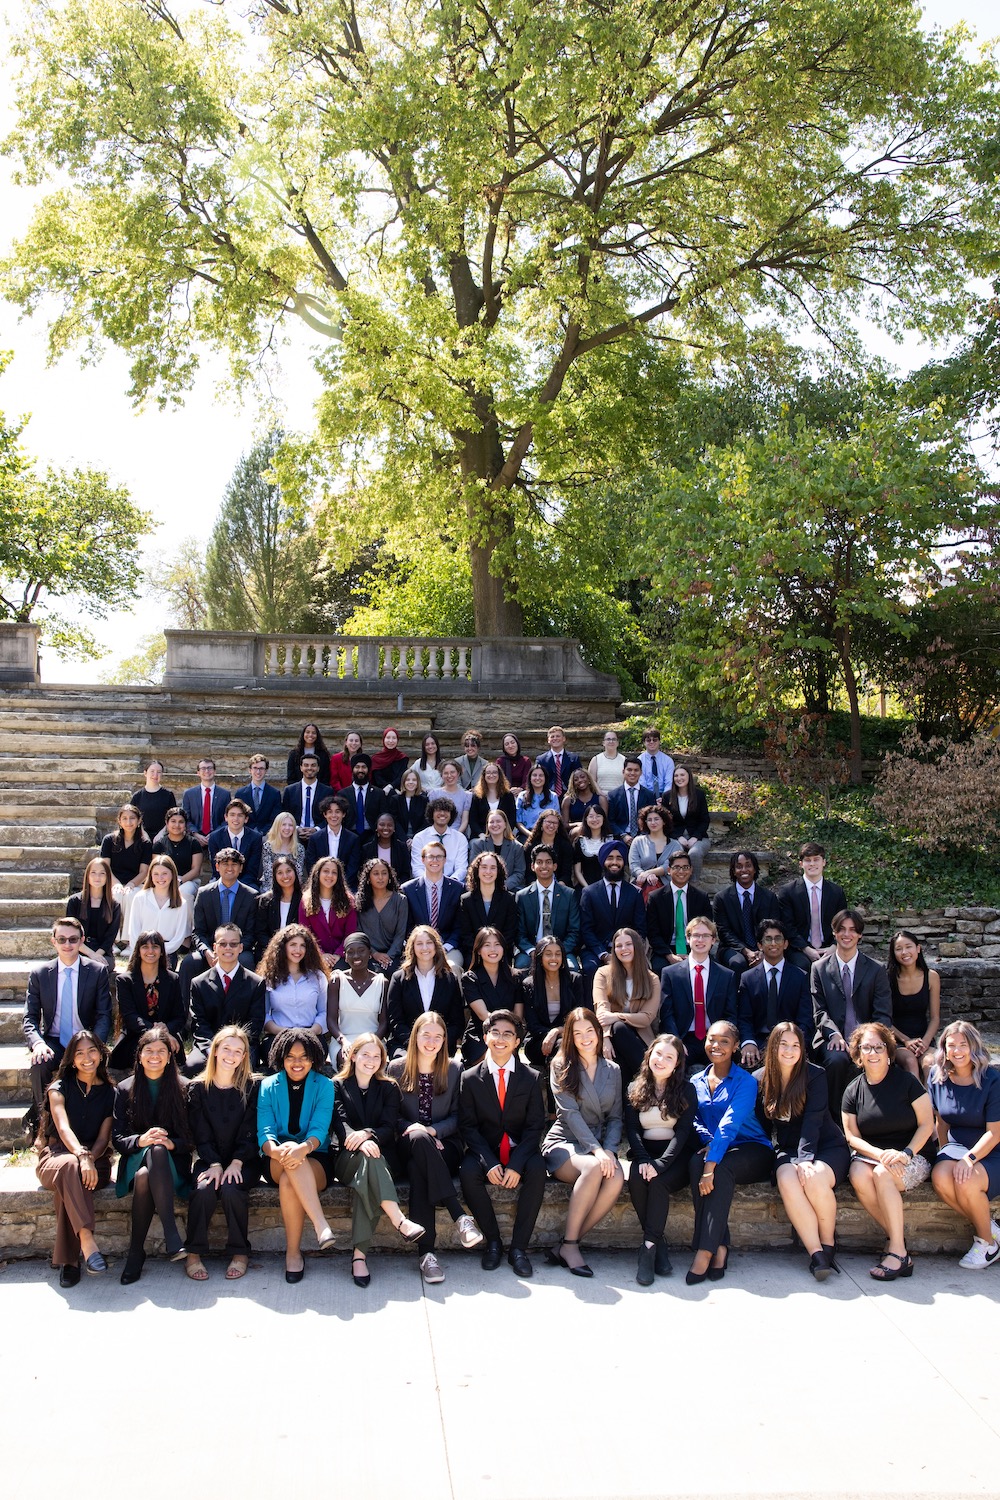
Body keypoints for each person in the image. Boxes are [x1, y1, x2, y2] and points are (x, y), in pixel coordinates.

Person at [388, 1012, 485, 1283]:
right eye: (426, 1035)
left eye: (438, 1037)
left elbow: (458, 1117)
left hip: (446, 1145)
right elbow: (391, 1116)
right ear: (415, 1036)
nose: (431, 1042)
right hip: (407, 1141)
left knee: (418, 1168)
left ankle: (427, 1256)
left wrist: (432, 1131)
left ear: (445, 1040)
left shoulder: (454, 1069)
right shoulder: (396, 1069)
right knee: (419, 1143)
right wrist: (418, 1130)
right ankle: (459, 1215)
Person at [754, 1023, 850, 1280]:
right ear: (773, 1047)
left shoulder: (815, 1075)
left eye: (795, 1045)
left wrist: (806, 1159)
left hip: (826, 1145)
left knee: (813, 1178)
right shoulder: (759, 1079)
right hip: (787, 1148)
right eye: (783, 1044)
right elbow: (762, 1126)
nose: (789, 1050)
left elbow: (813, 1120)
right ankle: (816, 1254)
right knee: (787, 1180)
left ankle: (828, 1245)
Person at [842, 1022, 934, 1281]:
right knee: (858, 1174)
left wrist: (906, 1153)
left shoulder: (907, 1082)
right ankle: (898, 1243)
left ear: (888, 1051)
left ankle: (897, 1252)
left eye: (878, 1047)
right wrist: (879, 1154)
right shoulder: (853, 1089)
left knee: (883, 1174)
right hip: (875, 1155)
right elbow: (851, 1136)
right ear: (858, 1055)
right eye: (866, 1048)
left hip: (913, 1154)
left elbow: (927, 1124)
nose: (872, 1053)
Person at [458, 1009, 547, 1277]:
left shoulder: (531, 1077)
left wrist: (516, 1165)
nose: (500, 1039)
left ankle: (518, 1248)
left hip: (521, 1148)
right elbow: (468, 1127)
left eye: (508, 1034)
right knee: (468, 1172)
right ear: (485, 1037)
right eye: (495, 1032)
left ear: (517, 1042)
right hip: (486, 1149)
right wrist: (489, 1162)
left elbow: (535, 1126)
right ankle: (493, 1242)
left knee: (537, 1170)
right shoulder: (469, 1078)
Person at [686, 1020, 775, 1284]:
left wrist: (711, 1163)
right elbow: (693, 1119)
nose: (716, 1045)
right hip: (718, 1146)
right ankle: (720, 1246)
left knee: (718, 1168)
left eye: (724, 1041)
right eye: (711, 1039)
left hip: (752, 1148)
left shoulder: (745, 1081)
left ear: (736, 1046)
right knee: (695, 1163)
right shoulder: (695, 1081)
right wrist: (708, 1143)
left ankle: (704, 1252)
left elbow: (730, 1123)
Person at [332, 1033, 424, 1286]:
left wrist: (367, 1135)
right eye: (365, 1054)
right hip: (347, 1156)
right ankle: (399, 1221)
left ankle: (359, 1257)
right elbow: (340, 1124)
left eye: (376, 1056)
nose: (371, 1060)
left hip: (383, 1157)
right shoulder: (336, 1085)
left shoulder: (388, 1088)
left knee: (369, 1170)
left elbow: (389, 1126)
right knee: (368, 1161)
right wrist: (360, 1141)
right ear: (353, 1056)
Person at [542, 1007, 624, 1276]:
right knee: (593, 1167)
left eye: (590, 1031)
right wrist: (597, 1151)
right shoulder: (560, 1065)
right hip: (565, 1142)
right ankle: (570, 1246)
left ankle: (568, 1243)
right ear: (570, 1037)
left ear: (598, 1033)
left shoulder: (613, 1069)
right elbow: (570, 1114)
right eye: (578, 1033)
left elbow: (616, 1117)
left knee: (616, 1176)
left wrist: (609, 1150)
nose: (585, 1038)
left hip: (597, 1145)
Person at [113, 1024, 193, 1284]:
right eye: (149, 1050)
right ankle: (172, 1235)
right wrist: (142, 1140)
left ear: (170, 1057)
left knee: (148, 1170)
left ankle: (136, 1253)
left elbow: (191, 1139)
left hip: (173, 1166)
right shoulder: (124, 1088)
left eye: (161, 1051)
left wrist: (171, 1144)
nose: (155, 1056)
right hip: (135, 1160)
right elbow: (118, 1139)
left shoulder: (185, 1087)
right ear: (139, 1055)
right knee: (150, 1156)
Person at [257, 1028, 338, 1283]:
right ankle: (320, 1223)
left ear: (313, 1058)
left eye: (304, 1057)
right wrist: (275, 1150)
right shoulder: (267, 1086)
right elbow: (265, 1130)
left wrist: (302, 1148)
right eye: (290, 1057)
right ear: (281, 1057)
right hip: (275, 1158)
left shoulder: (324, 1085)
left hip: (315, 1158)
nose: (297, 1062)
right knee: (289, 1158)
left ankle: (292, 1254)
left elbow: (320, 1128)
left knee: (289, 1180)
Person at [35, 1030, 114, 1284]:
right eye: (79, 1053)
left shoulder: (110, 1093)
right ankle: (87, 1241)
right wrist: (81, 1155)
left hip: (96, 1162)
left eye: (92, 1051)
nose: (86, 1058)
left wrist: (89, 1158)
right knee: (70, 1167)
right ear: (71, 1058)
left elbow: (102, 1139)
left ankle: (69, 1262)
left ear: (101, 1054)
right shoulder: (59, 1087)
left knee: (70, 1181)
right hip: (56, 1157)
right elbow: (63, 1128)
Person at [183, 1026, 260, 1282]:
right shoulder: (196, 1088)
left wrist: (237, 1162)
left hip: (245, 1160)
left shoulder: (252, 1087)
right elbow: (199, 1132)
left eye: (238, 1051)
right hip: (209, 1158)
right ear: (215, 1050)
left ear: (244, 1056)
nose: (231, 1055)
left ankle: (240, 1252)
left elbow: (251, 1129)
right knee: (203, 1189)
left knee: (231, 1189)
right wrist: (214, 1163)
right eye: (226, 1048)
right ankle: (193, 1253)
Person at [625, 1034, 698, 1285]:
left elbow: (683, 1132)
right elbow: (632, 1129)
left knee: (658, 1183)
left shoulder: (686, 1090)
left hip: (676, 1155)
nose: (661, 1060)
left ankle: (647, 1251)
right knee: (636, 1178)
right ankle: (659, 1245)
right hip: (645, 1152)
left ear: (677, 1063)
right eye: (658, 1053)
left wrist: (661, 1164)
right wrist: (645, 1159)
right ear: (649, 1055)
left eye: (669, 1057)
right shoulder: (634, 1087)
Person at [928, 1020, 1000, 1270]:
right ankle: (990, 1228)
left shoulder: (992, 1079)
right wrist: (943, 1152)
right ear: (944, 1049)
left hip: (992, 1149)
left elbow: (995, 1133)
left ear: (973, 1047)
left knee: (966, 1182)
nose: (957, 1051)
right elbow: (941, 1121)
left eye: (963, 1044)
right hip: (957, 1146)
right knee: (940, 1177)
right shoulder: (937, 1076)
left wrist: (968, 1159)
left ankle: (987, 1244)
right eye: (951, 1045)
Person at [24, 917, 112, 1120]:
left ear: (82, 941)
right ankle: (42, 1120)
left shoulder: (97, 972)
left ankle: (91, 1119)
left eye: (73, 939)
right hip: (54, 1041)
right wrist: (38, 1043)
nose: (67, 944)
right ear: (53, 941)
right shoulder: (40, 974)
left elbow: (104, 1015)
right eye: (61, 939)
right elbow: (30, 1017)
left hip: (84, 1039)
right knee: (39, 1063)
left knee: (96, 1061)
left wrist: (94, 1045)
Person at [811, 908, 892, 1114]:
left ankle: (871, 1116)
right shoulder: (819, 968)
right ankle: (834, 1118)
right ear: (834, 932)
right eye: (842, 929)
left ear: (860, 935)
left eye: (853, 930)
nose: (847, 934)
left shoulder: (876, 969)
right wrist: (834, 1034)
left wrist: (868, 1038)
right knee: (836, 1060)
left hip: (867, 1037)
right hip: (832, 1036)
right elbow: (819, 1011)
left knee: (870, 1057)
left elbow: (883, 1012)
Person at [187, 922, 267, 1074]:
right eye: (223, 944)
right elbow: (199, 1024)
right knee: (193, 1066)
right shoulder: (198, 983)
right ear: (214, 947)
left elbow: (255, 1024)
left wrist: (234, 1048)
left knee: (244, 1069)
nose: (228, 948)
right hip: (209, 1045)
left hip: (242, 1046)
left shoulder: (256, 983)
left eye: (233, 944)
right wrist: (214, 1049)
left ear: (241, 947)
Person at [659, 916, 738, 1069]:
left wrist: (723, 1041)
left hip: (715, 1038)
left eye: (706, 935)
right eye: (696, 935)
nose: (700, 940)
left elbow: (730, 1014)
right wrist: (676, 1041)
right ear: (688, 939)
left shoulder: (726, 975)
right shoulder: (670, 973)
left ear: (713, 940)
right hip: (684, 1038)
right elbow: (667, 1014)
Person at [179, 848, 256, 1002]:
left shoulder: (251, 896)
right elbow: (198, 932)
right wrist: (208, 952)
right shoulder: (204, 893)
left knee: (247, 961)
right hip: (210, 950)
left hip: (238, 950)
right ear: (217, 866)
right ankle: (184, 1013)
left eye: (234, 864)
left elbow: (250, 934)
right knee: (189, 963)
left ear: (241, 868)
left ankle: (243, 1013)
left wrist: (232, 950)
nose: (230, 868)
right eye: (225, 864)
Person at [737, 920, 812, 1069]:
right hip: (758, 1043)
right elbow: (744, 1018)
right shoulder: (747, 978)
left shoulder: (800, 977)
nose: (773, 943)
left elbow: (805, 1018)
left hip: (790, 1042)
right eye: (768, 939)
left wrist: (796, 1044)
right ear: (760, 945)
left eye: (778, 939)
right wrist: (748, 1042)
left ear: (785, 944)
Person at [592, 926, 660, 1087]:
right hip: (611, 1037)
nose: (624, 949)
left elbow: (646, 1018)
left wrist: (616, 1016)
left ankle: (647, 1082)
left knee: (619, 1027)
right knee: (618, 1031)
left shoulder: (652, 979)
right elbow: (602, 1010)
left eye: (628, 944)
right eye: (619, 945)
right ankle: (649, 1083)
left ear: (637, 946)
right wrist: (605, 1038)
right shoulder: (603, 974)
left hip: (640, 1039)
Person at [111, 932, 186, 1069]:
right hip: (136, 1035)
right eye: (145, 947)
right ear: (138, 951)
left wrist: (167, 1030)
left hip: (168, 1034)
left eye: (155, 946)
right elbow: (130, 1016)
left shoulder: (172, 979)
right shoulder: (125, 980)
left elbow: (179, 1016)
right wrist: (157, 1033)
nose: (150, 951)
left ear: (162, 951)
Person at [386, 925, 465, 1055]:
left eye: (429, 943)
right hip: (406, 1045)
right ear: (412, 947)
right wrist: (415, 1043)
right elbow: (395, 1021)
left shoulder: (450, 979)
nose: (424, 948)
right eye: (419, 943)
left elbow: (457, 1021)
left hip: (440, 1047)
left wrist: (437, 1043)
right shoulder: (399, 978)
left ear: (436, 946)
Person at [579, 839, 646, 985]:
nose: (614, 862)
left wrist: (627, 950)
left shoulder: (635, 893)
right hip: (596, 950)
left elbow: (640, 929)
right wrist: (603, 954)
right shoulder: (589, 892)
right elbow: (586, 929)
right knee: (590, 968)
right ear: (603, 861)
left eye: (619, 858)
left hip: (627, 949)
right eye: (610, 858)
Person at [778, 842, 847, 973]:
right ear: (801, 864)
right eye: (808, 860)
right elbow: (787, 926)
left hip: (830, 946)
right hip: (799, 948)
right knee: (802, 967)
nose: (812, 864)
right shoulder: (788, 892)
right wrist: (806, 949)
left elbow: (843, 924)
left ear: (824, 862)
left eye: (816, 859)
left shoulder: (836, 892)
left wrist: (834, 946)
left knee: (835, 967)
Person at [259, 923, 330, 1046]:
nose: (298, 950)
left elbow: (324, 1011)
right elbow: (264, 1014)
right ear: (282, 947)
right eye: (293, 945)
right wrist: (283, 1033)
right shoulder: (269, 977)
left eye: (302, 945)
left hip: (312, 1036)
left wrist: (311, 1032)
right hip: (278, 1036)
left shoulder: (318, 977)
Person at [713, 851, 781, 978]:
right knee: (738, 963)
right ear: (733, 871)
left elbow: (774, 927)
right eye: (739, 866)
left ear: (755, 869)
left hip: (764, 945)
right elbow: (724, 932)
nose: (744, 870)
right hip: (733, 948)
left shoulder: (769, 897)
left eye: (748, 865)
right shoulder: (722, 898)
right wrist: (746, 951)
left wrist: (762, 950)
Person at [400, 841, 464, 975]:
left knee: (452, 969)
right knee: (408, 971)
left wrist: (445, 947)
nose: (435, 860)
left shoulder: (458, 889)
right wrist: (421, 946)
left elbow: (459, 926)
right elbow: (407, 926)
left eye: (439, 856)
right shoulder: (408, 890)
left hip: (448, 947)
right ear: (423, 860)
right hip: (418, 947)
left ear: (445, 860)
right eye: (430, 856)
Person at [461, 926, 523, 1064]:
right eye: (487, 945)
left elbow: (518, 1015)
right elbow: (483, 1015)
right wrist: (499, 1035)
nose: (493, 949)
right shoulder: (470, 978)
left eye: (497, 944)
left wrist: (506, 1035)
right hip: (480, 1034)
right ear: (478, 950)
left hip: (509, 1033)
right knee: (490, 1055)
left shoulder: (515, 977)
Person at [521, 936, 582, 1074]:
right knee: (561, 1047)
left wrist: (557, 1031)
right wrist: (549, 1035)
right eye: (548, 954)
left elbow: (579, 1017)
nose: (553, 958)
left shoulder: (575, 980)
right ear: (540, 958)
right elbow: (532, 1024)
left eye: (558, 954)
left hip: (569, 1037)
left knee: (563, 1046)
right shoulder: (529, 984)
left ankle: (555, 1086)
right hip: (538, 1041)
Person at [514, 844, 581, 970]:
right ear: (532, 866)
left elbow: (574, 931)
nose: (544, 866)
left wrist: (558, 951)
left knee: (572, 969)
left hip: (561, 949)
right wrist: (532, 951)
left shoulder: (569, 895)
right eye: (539, 862)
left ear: (555, 866)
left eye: (548, 862)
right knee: (521, 967)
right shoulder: (522, 896)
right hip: (531, 949)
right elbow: (519, 933)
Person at [645, 850, 714, 973]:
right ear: (669, 870)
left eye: (685, 867)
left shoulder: (701, 897)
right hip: (665, 948)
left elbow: (708, 929)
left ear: (691, 870)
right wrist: (669, 955)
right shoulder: (656, 897)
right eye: (676, 867)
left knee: (710, 969)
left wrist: (694, 953)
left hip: (695, 946)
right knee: (660, 969)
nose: (681, 871)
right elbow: (653, 933)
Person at [887, 929, 942, 1079]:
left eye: (908, 946)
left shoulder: (931, 977)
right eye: (899, 949)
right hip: (897, 1040)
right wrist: (906, 1041)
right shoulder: (887, 978)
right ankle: (915, 1096)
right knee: (910, 1062)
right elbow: (884, 1019)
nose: (904, 952)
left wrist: (925, 1042)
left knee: (930, 1063)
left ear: (918, 948)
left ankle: (930, 1096)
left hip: (923, 1039)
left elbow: (935, 1018)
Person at [327, 932, 388, 1057]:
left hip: (373, 1039)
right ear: (345, 956)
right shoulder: (336, 981)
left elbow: (384, 1022)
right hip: (343, 1040)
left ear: (370, 954)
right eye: (350, 952)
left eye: (361, 951)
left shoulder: (382, 982)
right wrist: (343, 1041)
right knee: (348, 1058)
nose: (356, 956)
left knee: (367, 1058)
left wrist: (372, 1043)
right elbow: (331, 1020)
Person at [459, 851, 518, 967]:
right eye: (484, 867)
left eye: (493, 868)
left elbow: (510, 933)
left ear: (498, 871)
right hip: (475, 955)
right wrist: (482, 951)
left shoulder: (508, 899)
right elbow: (466, 935)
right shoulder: (466, 900)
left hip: (501, 955)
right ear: (477, 870)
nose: (488, 871)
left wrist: (495, 951)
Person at [127, 852, 192, 956]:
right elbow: (133, 931)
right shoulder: (140, 898)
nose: (160, 878)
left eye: (164, 873)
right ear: (150, 875)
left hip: (167, 951)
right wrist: (144, 950)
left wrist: (159, 951)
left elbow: (179, 937)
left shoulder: (181, 903)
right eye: (156, 874)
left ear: (172, 874)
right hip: (142, 950)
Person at [65, 856, 121, 972]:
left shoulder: (114, 905)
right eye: (93, 873)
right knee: (79, 965)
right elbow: (71, 933)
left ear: (107, 877)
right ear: (87, 875)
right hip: (78, 949)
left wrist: (97, 955)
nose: (97, 877)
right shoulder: (74, 902)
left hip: (102, 952)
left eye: (102, 873)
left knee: (101, 967)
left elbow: (110, 938)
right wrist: (91, 954)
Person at [100, 803, 152, 926]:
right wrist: (117, 884)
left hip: (135, 884)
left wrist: (131, 884)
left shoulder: (145, 843)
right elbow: (105, 867)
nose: (128, 822)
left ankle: (128, 936)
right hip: (113, 882)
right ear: (119, 821)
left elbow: (144, 872)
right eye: (124, 818)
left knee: (131, 896)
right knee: (116, 896)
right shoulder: (109, 840)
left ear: (139, 820)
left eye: (132, 818)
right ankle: (114, 935)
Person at [298, 855, 358, 960]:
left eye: (334, 872)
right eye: (326, 871)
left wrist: (338, 954)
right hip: (315, 956)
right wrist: (321, 954)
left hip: (342, 957)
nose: (330, 875)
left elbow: (350, 932)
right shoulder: (306, 900)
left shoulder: (348, 900)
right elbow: (305, 933)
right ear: (318, 873)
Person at [355, 857, 409, 974]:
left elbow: (400, 934)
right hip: (367, 954)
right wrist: (374, 953)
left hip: (394, 955)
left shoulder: (400, 900)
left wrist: (389, 956)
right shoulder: (360, 900)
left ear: (389, 876)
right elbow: (359, 931)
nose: (380, 877)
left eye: (384, 873)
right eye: (376, 873)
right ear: (368, 878)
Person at [152, 806, 204, 916]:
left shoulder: (193, 843)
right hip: (164, 880)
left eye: (181, 822)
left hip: (188, 881)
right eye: (173, 821)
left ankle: (187, 925)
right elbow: (156, 869)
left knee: (183, 893)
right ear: (167, 823)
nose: (177, 825)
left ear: (185, 824)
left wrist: (179, 881)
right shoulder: (159, 845)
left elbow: (196, 870)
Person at [664, 764, 711, 878]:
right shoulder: (667, 796)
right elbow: (666, 822)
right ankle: (678, 883)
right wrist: (678, 836)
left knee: (694, 853)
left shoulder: (699, 795)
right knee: (677, 854)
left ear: (689, 776)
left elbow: (705, 820)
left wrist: (695, 837)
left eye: (682, 775)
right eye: (676, 776)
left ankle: (693, 884)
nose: (679, 778)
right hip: (676, 837)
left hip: (699, 837)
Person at [253, 855, 303, 961]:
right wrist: (276, 948)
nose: (285, 876)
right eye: (280, 873)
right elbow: (260, 932)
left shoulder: (304, 899)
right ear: (274, 876)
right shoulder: (265, 900)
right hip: (269, 952)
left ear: (295, 872)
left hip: (297, 952)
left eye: (288, 871)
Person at [303, 795, 361, 886]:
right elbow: (311, 864)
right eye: (330, 812)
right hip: (320, 885)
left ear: (343, 814)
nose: (334, 815)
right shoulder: (315, 838)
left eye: (337, 812)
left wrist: (341, 884)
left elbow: (353, 867)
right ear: (325, 814)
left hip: (346, 885)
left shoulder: (353, 839)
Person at [207, 798, 264, 888]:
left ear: (246, 819)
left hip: (247, 882)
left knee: (254, 892)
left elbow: (252, 871)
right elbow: (216, 869)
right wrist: (228, 885)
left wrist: (237, 887)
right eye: (232, 815)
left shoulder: (255, 838)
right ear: (226, 817)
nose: (236, 819)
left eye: (240, 815)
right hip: (222, 880)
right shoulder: (215, 837)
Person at [627, 804, 681, 896]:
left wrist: (649, 872)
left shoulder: (675, 845)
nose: (653, 822)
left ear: (664, 821)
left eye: (656, 819)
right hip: (641, 886)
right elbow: (634, 866)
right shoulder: (637, 841)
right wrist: (645, 875)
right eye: (649, 820)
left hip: (667, 888)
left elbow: (669, 866)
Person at [410, 797, 469, 881]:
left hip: (453, 882)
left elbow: (461, 867)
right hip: (426, 882)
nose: (442, 813)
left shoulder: (460, 838)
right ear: (431, 814)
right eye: (438, 810)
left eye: (446, 811)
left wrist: (450, 882)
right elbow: (417, 868)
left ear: (451, 815)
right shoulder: (419, 838)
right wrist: (431, 882)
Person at [468, 809, 527, 893]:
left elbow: (519, 873)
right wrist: (488, 885)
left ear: (505, 824)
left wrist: (502, 885)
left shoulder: (517, 847)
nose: (495, 825)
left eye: (498, 821)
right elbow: (474, 869)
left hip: (508, 890)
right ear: (487, 825)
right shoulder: (478, 845)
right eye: (491, 822)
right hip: (483, 888)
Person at [282, 752, 334, 840]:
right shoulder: (290, 790)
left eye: (313, 765)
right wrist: (297, 828)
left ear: (318, 768)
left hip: (319, 836)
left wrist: (316, 829)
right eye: (306, 765)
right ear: (301, 768)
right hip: (294, 835)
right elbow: (285, 814)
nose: (309, 768)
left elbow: (330, 815)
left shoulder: (327, 791)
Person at [608, 755, 656, 842]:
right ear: (623, 771)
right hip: (621, 837)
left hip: (644, 837)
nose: (632, 773)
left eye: (636, 770)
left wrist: (642, 835)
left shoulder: (649, 795)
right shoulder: (613, 795)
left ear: (641, 772)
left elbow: (653, 818)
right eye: (629, 770)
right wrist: (623, 835)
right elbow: (611, 821)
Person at [524, 809, 576, 886]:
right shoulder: (531, 846)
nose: (551, 825)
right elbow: (528, 874)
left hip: (560, 886)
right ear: (541, 824)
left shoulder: (565, 845)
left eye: (555, 823)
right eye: (548, 822)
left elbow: (566, 873)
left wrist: (557, 888)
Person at [181, 758, 231, 838]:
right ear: (198, 773)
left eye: (210, 768)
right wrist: (195, 834)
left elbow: (227, 819)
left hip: (217, 837)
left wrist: (214, 835)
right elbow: (185, 818)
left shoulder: (224, 794)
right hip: (194, 838)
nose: (207, 771)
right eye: (203, 768)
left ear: (214, 771)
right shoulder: (189, 794)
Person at [343, 753, 389, 838]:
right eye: (357, 767)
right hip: (349, 835)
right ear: (352, 769)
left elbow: (383, 816)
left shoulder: (379, 793)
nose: (360, 770)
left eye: (364, 767)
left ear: (368, 770)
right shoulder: (343, 794)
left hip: (372, 835)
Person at [468, 761, 518, 839]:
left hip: (504, 836)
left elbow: (512, 818)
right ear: (484, 776)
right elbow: (473, 820)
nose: (491, 775)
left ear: (499, 775)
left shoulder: (508, 795)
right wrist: (481, 834)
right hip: (481, 836)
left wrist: (504, 834)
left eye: (494, 772)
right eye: (488, 773)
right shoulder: (477, 796)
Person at [235, 753, 283, 833]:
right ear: (250, 770)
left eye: (261, 768)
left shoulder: (274, 794)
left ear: (266, 771)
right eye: (255, 768)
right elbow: (239, 817)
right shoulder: (240, 794)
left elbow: (275, 819)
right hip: (245, 834)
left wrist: (262, 833)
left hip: (267, 835)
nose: (258, 772)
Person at [359, 812, 410, 886]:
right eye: (382, 825)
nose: (386, 828)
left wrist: (396, 887)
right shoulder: (367, 849)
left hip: (397, 889)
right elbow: (363, 872)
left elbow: (405, 874)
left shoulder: (402, 848)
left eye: (389, 825)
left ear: (394, 828)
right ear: (376, 827)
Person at [130, 759, 177, 840]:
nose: (155, 775)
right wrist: (143, 834)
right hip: (142, 838)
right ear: (145, 773)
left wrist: (162, 833)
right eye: (152, 771)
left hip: (163, 838)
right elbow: (133, 817)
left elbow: (173, 817)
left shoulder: (168, 795)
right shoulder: (137, 796)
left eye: (159, 772)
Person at [571, 803, 614, 888]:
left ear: (603, 818)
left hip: (609, 887)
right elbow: (577, 871)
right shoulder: (579, 842)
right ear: (586, 819)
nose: (594, 819)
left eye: (598, 816)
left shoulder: (612, 841)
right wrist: (588, 889)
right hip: (585, 887)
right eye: (591, 816)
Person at [514, 762, 560, 840]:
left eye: (541, 775)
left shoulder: (553, 796)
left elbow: (557, 819)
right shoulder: (522, 796)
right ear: (530, 778)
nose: (537, 778)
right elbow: (518, 821)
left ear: (545, 778)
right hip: (526, 835)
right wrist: (531, 835)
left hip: (548, 834)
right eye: (534, 775)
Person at [260, 810, 306, 889]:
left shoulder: (299, 848)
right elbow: (268, 874)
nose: (287, 828)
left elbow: (299, 874)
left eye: (290, 825)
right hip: (271, 888)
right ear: (277, 826)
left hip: (292, 888)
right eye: (283, 824)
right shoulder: (268, 846)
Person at [536, 725, 582, 800]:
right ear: (548, 740)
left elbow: (579, 778)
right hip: (548, 795)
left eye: (558, 736)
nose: (555, 738)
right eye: (552, 736)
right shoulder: (541, 760)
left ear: (564, 739)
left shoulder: (574, 758)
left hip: (570, 795)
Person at [387, 767, 430, 844]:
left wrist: (415, 838)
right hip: (399, 839)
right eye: (407, 780)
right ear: (403, 782)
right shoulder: (395, 799)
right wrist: (405, 839)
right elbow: (394, 821)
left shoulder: (424, 800)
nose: (411, 782)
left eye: (414, 780)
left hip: (420, 838)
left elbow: (426, 821)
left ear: (418, 783)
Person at [437, 759, 473, 834]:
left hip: (458, 834)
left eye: (452, 772)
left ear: (458, 773)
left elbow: (465, 821)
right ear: (441, 775)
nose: (449, 776)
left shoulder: (466, 796)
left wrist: (456, 836)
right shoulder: (434, 794)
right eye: (446, 773)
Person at [587, 729, 626, 795]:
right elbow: (592, 781)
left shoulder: (624, 760)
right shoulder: (596, 760)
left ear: (617, 743)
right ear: (603, 743)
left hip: (619, 796)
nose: (611, 741)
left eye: (614, 739)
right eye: (608, 739)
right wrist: (601, 794)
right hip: (600, 797)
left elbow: (626, 782)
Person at [371, 726, 409, 791]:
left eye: (394, 738)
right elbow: (377, 778)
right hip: (380, 791)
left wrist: (391, 787)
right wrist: (386, 788)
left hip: (398, 792)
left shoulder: (402, 758)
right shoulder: (376, 759)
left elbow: (401, 776)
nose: (391, 741)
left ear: (397, 740)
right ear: (384, 739)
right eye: (388, 738)